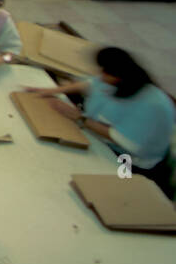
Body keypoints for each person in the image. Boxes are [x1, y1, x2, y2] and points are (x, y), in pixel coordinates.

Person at [25, 48, 174, 188]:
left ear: (117, 75)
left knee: (79, 175)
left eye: (105, 72)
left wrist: (79, 118)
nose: (100, 75)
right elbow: (91, 84)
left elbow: (121, 138)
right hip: (109, 139)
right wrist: (51, 90)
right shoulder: (121, 79)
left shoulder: (150, 106)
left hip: (131, 161)